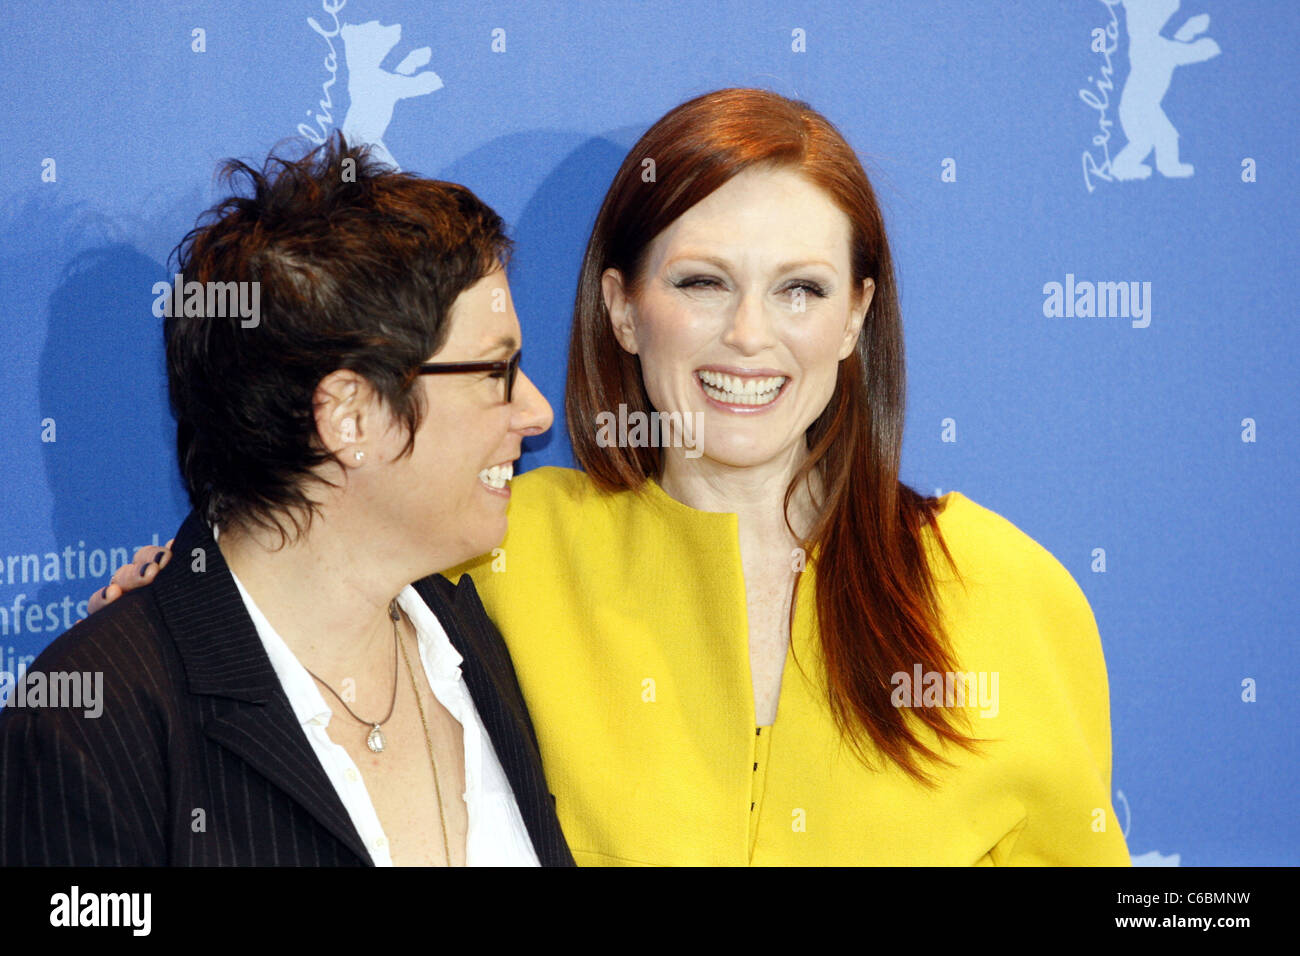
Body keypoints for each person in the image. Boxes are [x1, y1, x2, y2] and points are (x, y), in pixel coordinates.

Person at [90, 89, 1130, 865]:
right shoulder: (498, 550)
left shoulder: (1006, 592)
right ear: (624, 307)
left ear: (858, 316)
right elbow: (292, 587)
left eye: (802, 289)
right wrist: (179, 609)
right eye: (702, 281)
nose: (750, 336)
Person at [1, 134, 573, 866]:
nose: (536, 413)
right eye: (498, 370)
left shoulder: (461, 635)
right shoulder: (98, 725)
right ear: (349, 416)